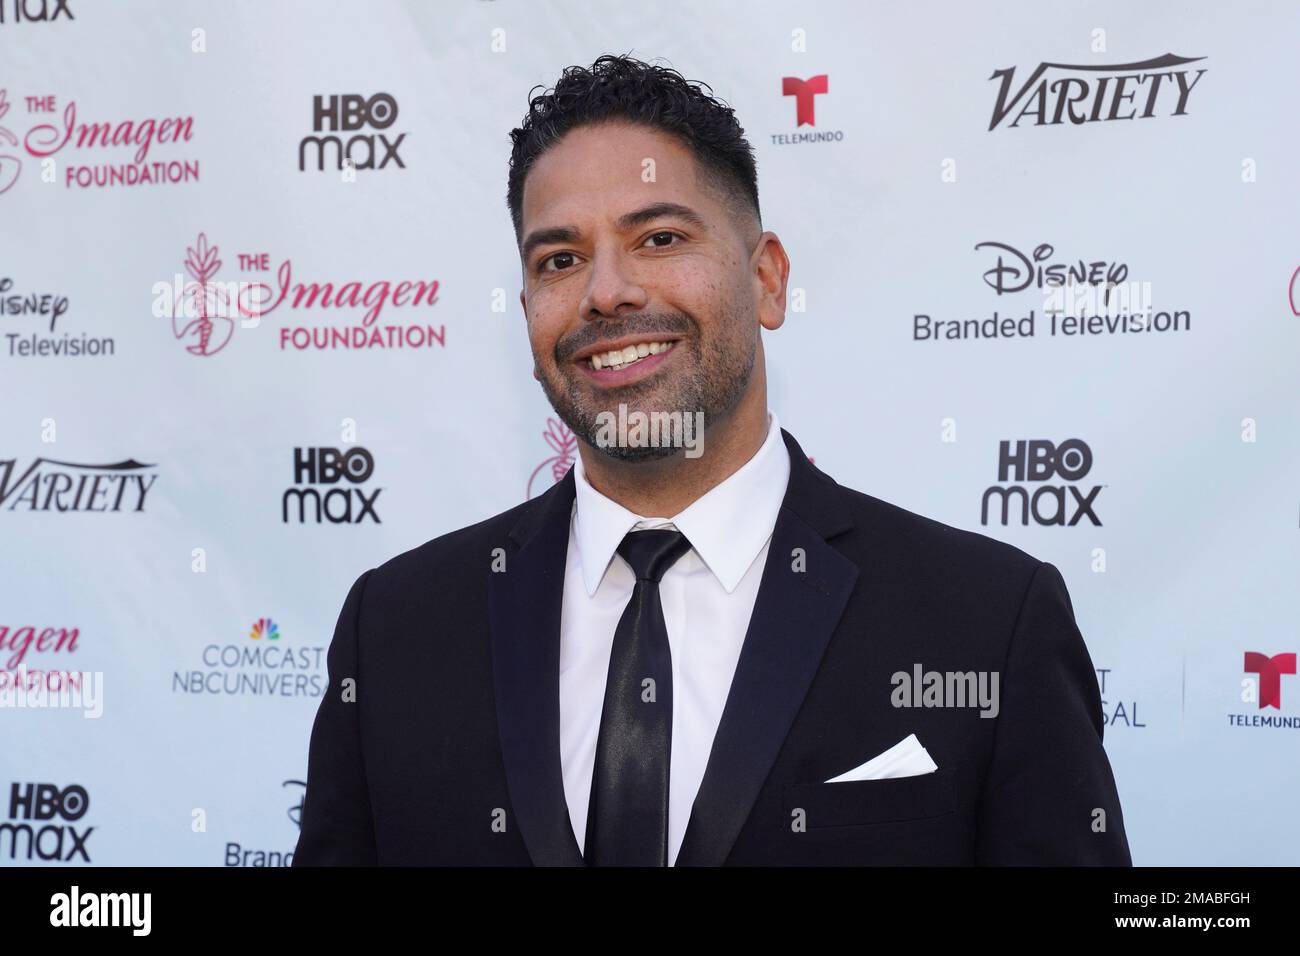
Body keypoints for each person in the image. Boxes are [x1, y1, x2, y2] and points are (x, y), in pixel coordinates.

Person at [293, 54, 1131, 866]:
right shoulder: (396, 628)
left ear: (767, 279)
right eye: (560, 258)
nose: (606, 292)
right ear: (527, 310)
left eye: (658, 237)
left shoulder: (987, 622)